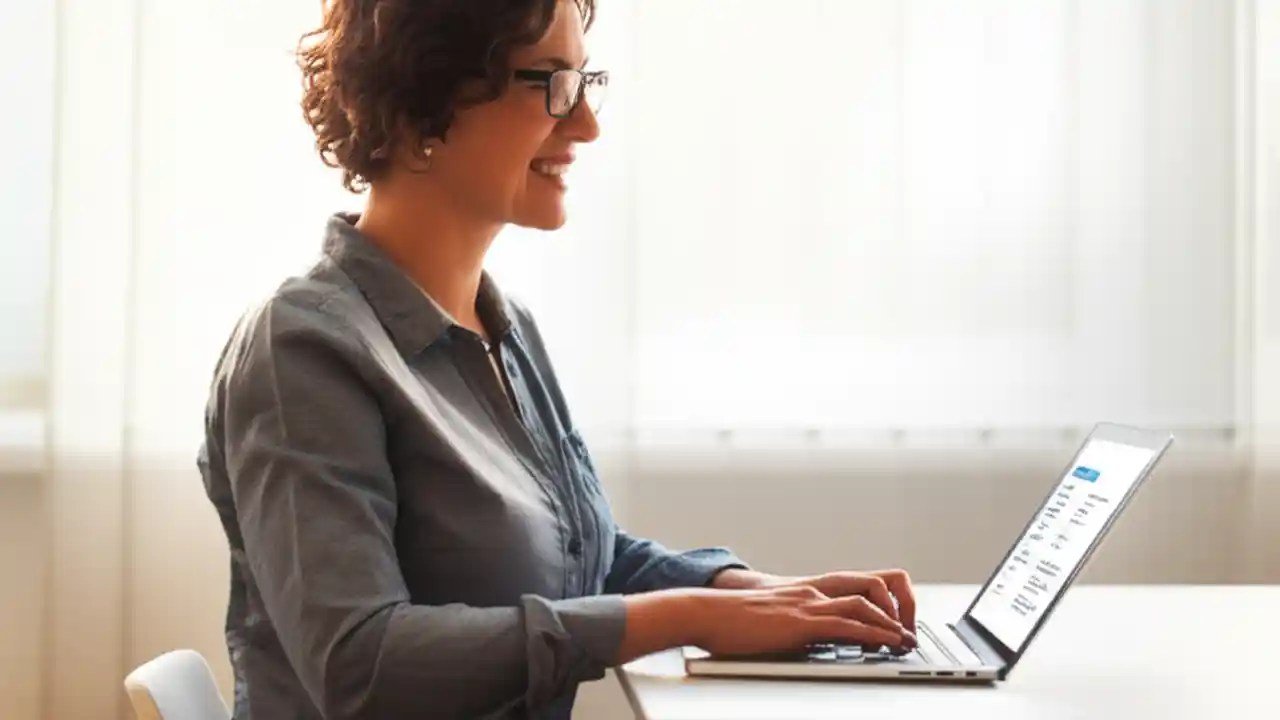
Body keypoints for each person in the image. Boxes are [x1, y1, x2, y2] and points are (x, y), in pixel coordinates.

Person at [197, 1, 918, 718]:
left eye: (584, 82)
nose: (586, 125)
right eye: (551, 84)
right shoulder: (302, 352)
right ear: (422, 103)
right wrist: (683, 618)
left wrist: (754, 593)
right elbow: (362, 664)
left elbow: (579, 553)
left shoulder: (505, 330)